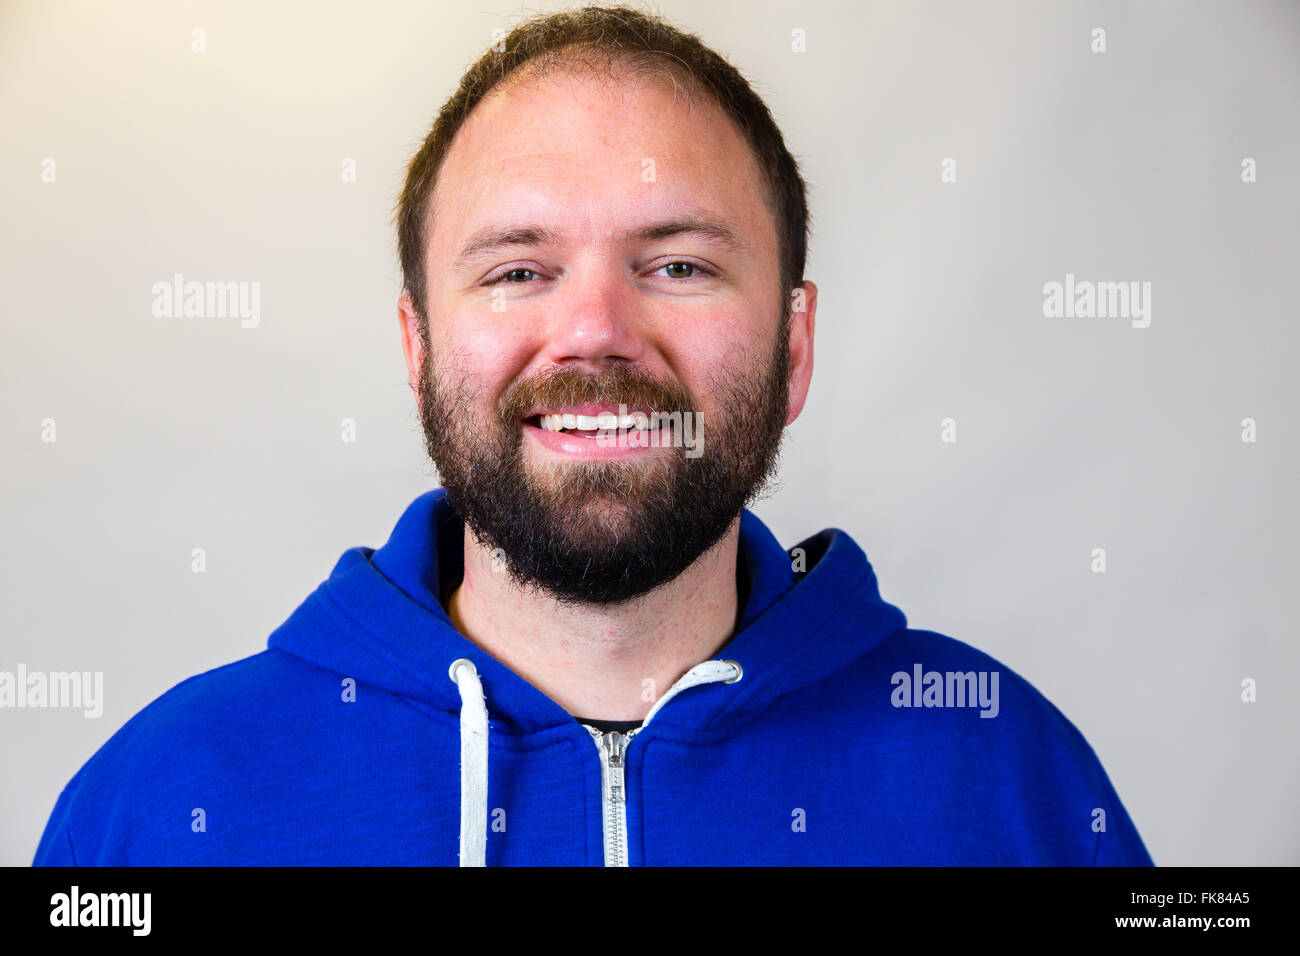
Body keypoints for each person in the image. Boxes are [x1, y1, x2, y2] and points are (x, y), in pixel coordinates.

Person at [33, 5, 1152, 866]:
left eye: (677, 265)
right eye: (518, 270)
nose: (595, 332)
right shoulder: (158, 803)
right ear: (418, 349)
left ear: (794, 344)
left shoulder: (1013, 782)